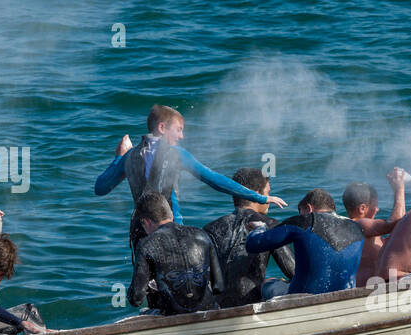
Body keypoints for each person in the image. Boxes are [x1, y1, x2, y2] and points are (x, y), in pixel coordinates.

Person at [94, 104, 288, 248]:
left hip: (141, 233)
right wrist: (260, 197)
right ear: (162, 128)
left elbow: (100, 188)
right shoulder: (176, 154)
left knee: (150, 286)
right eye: (178, 130)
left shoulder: (130, 156)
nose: (181, 136)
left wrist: (118, 159)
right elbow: (216, 180)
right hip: (172, 231)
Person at [202, 168, 295, 308]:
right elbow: (293, 271)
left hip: (218, 307)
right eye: (268, 192)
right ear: (257, 194)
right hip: (252, 306)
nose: (269, 199)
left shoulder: (210, 228)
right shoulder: (269, 225)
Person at [245, 188, 365, 296]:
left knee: (268, 283)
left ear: (308, 208)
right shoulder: (356, 228)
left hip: (303, 299)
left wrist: (261, 228)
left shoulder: (305, 220)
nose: (300, 215)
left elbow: (253, 244)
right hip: (345, 296)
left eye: (301, 211)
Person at [128, 194, 226, 314]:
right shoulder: (202, 235)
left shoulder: (146, 244)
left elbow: (136, 298)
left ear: (145, 222)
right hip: (209, 311)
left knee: (143, 312)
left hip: (172, 316)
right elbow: (219, 287)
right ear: (172, 215)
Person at [344, 168, 407, 287]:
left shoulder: (363, 229)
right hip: (366, 290)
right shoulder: (359, 224)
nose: (377, 209)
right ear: (362, 208)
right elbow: (394, 223)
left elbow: (400, 224)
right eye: (375, 206)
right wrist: (399, 189)